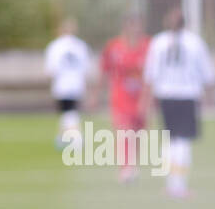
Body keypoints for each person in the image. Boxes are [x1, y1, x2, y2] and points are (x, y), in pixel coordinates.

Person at [141, 8, 215, 199]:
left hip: (166, 96)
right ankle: (178, 186)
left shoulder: (158, 42)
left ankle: (171, 184)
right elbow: (207, 73)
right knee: (182, 142)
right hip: (187, 95)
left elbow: (150, 75)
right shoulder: (195, 43)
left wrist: (146, 100)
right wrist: (210, 96)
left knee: (170, 140)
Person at [98, 14, 151, 182]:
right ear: (125, 27)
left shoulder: (149, 46)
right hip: (121, 97)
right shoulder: (113, 47)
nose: (135, 30)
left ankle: (132, 165)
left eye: (138, 26)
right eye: (131, 26)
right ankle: (125, 167)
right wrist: (95, 94)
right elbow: (104, 71)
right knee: (123, 131)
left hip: (141, 96)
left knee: (138, 133)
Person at [43, 18, 92, 147]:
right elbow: (86, 68)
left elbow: (50, 69)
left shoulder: (55, 45)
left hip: (62, 84)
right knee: (69, 111)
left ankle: (76, 138)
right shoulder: (81, 45)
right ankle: (62, 136)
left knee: (69, 112)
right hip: (77, 84)